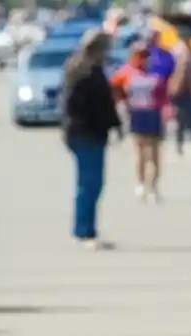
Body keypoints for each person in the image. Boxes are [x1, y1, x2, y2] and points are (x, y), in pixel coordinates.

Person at [59, 29, 122, 250]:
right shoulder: (82, 70)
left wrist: (115, 124)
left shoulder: (92, 69)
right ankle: (83, 231)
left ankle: (89, 229)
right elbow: (79, 105)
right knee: (89, 183)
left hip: (92, 132)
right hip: (85, 133)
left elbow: (106, 103)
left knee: (93, 183)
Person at [110, 42, 168, 203]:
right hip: (136, 114)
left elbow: (163, 95)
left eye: (145, 55)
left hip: (153, 113)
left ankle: (154, 186)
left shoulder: (155, 73)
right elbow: (114, 88)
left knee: (154, 152)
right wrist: (121, 104)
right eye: (140, 55)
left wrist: (166, 112)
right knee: (140, 151)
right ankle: (141, 183)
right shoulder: (125, 73)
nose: (143, 59)